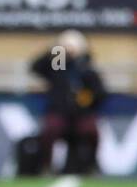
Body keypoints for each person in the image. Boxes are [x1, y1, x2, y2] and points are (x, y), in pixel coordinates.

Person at [29, 29, 107, 175]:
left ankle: (91, 164)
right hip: (59, 112)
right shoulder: (59, 65)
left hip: (81, 114)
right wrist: (56, 51)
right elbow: (37, 68)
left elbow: (99, 92)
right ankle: (46, 166)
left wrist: (86, 102)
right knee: (50, 130)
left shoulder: (86, 68)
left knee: (91, 131)